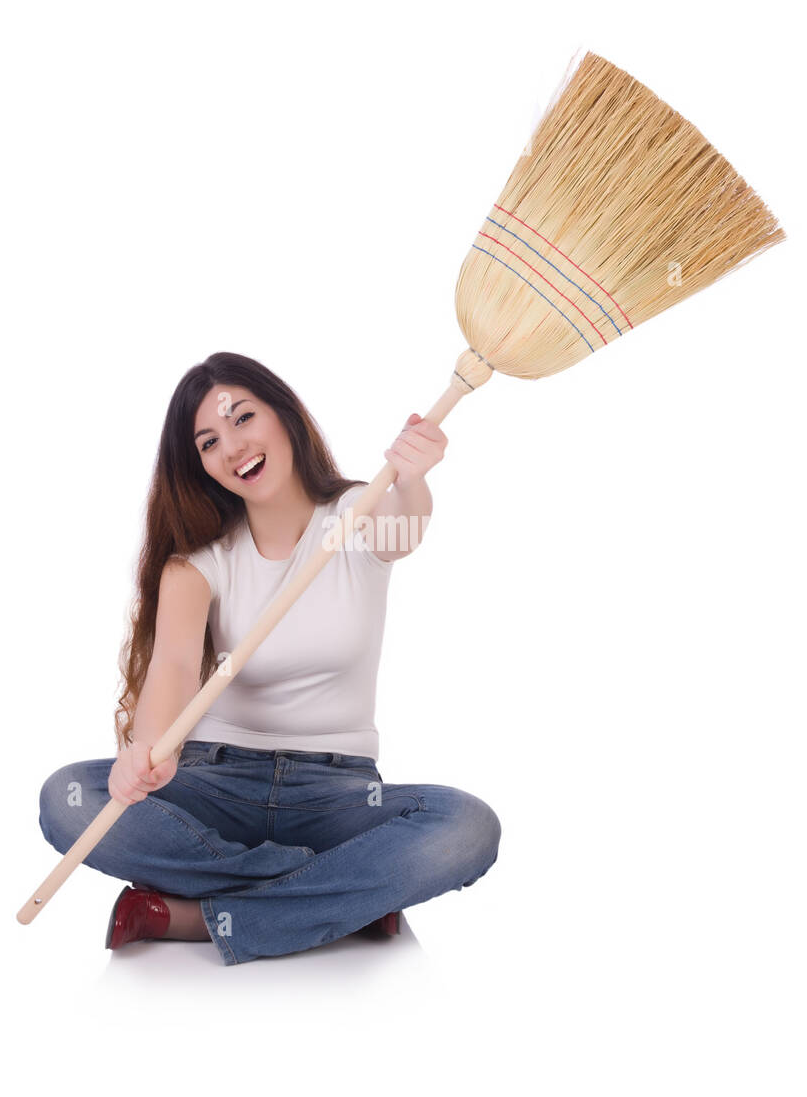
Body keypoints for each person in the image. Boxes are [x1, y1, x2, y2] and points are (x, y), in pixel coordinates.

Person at [38, 352, 501, 966]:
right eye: (208, 441)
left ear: (284, 415)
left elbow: (403, 530)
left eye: (243, 418)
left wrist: (412, 477)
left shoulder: (359, 513)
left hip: (337, 796)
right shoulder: (199, 561)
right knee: (66, 797)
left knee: (466, 826)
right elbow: (174, 664)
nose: (231, 447)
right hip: (212, 787)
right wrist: (147, 751)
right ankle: (340, 894)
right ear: (198, 464)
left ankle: (197, 918)